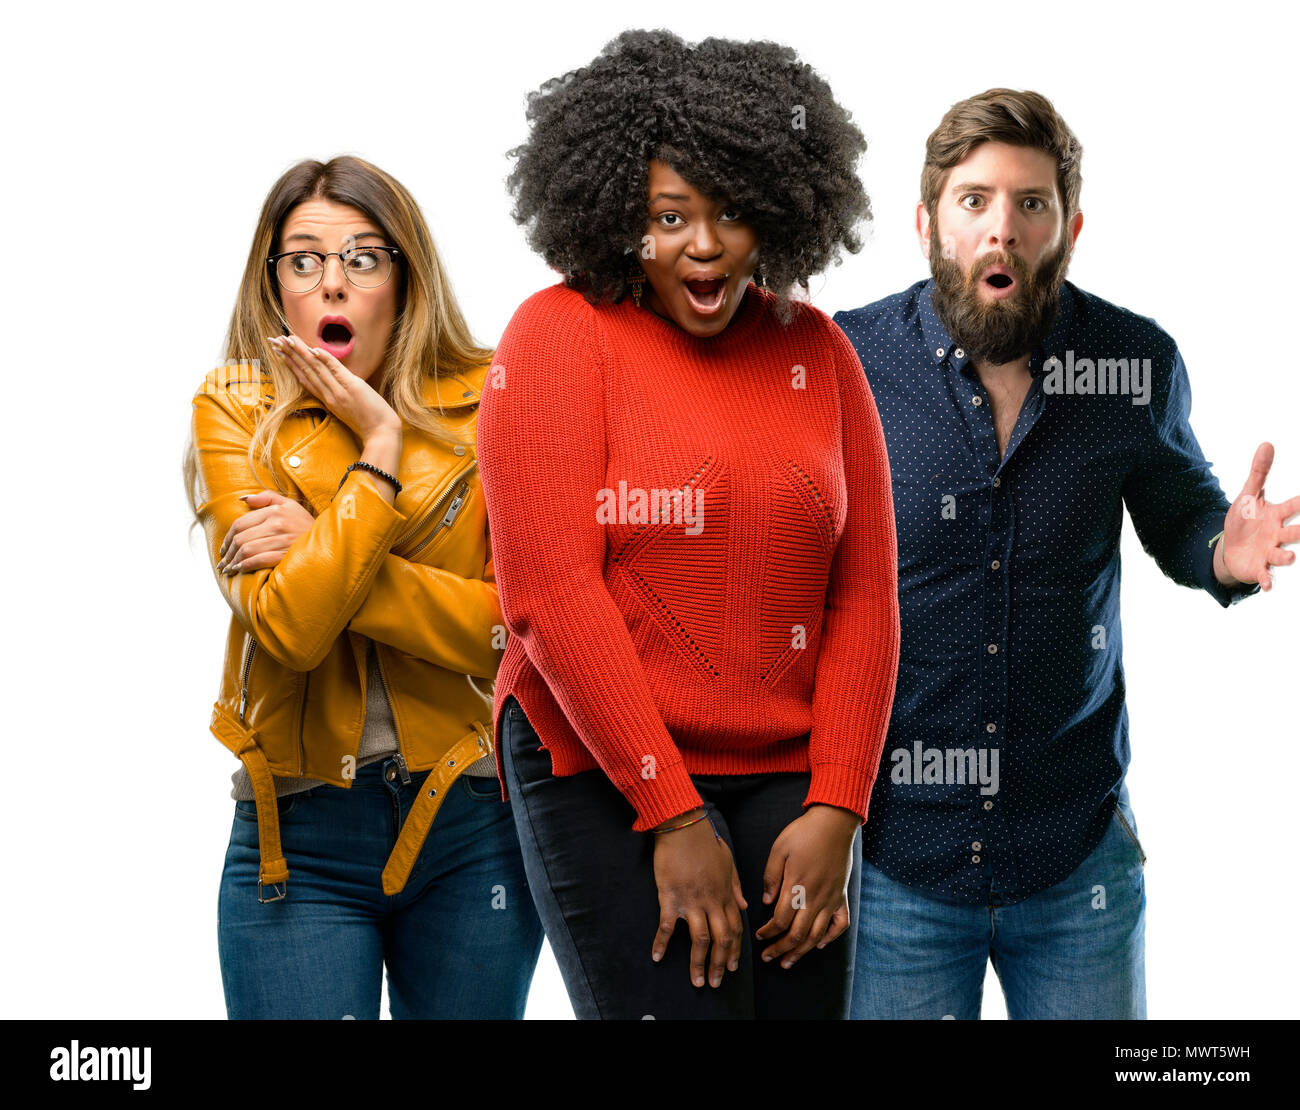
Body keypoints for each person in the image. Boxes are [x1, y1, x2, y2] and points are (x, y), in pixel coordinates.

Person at [833, 88, 1298, 1019]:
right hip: (898, 864)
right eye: (974, 201)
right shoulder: (849, 363)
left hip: (1076, 856)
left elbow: (1184, 521)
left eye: (1030, 204)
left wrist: (1224, 550)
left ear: (1069, 225)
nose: (1001, 230)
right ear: (927, 220)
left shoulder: (1131, 363)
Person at [476, 30, 901, 1020]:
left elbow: (864, 593)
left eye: (729, 216)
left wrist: (839, 800)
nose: (702, 247)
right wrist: (668, 809)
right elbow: (547, 596)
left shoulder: (820, 353)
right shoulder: (558, 335)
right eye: (670, 218)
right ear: (624, 217)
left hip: (787, 772)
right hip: (597, 760)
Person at [183, 155, 543, 1019]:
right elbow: (293, 631)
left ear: (404, 277)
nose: (331, 284)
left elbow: (515, 632)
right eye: (303, 260)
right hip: (296, 840)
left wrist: (330, 550)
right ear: (274, 286)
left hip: (475, 822)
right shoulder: (233, 407)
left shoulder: (492, 396)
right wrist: (378, 451)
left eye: (364, 258)